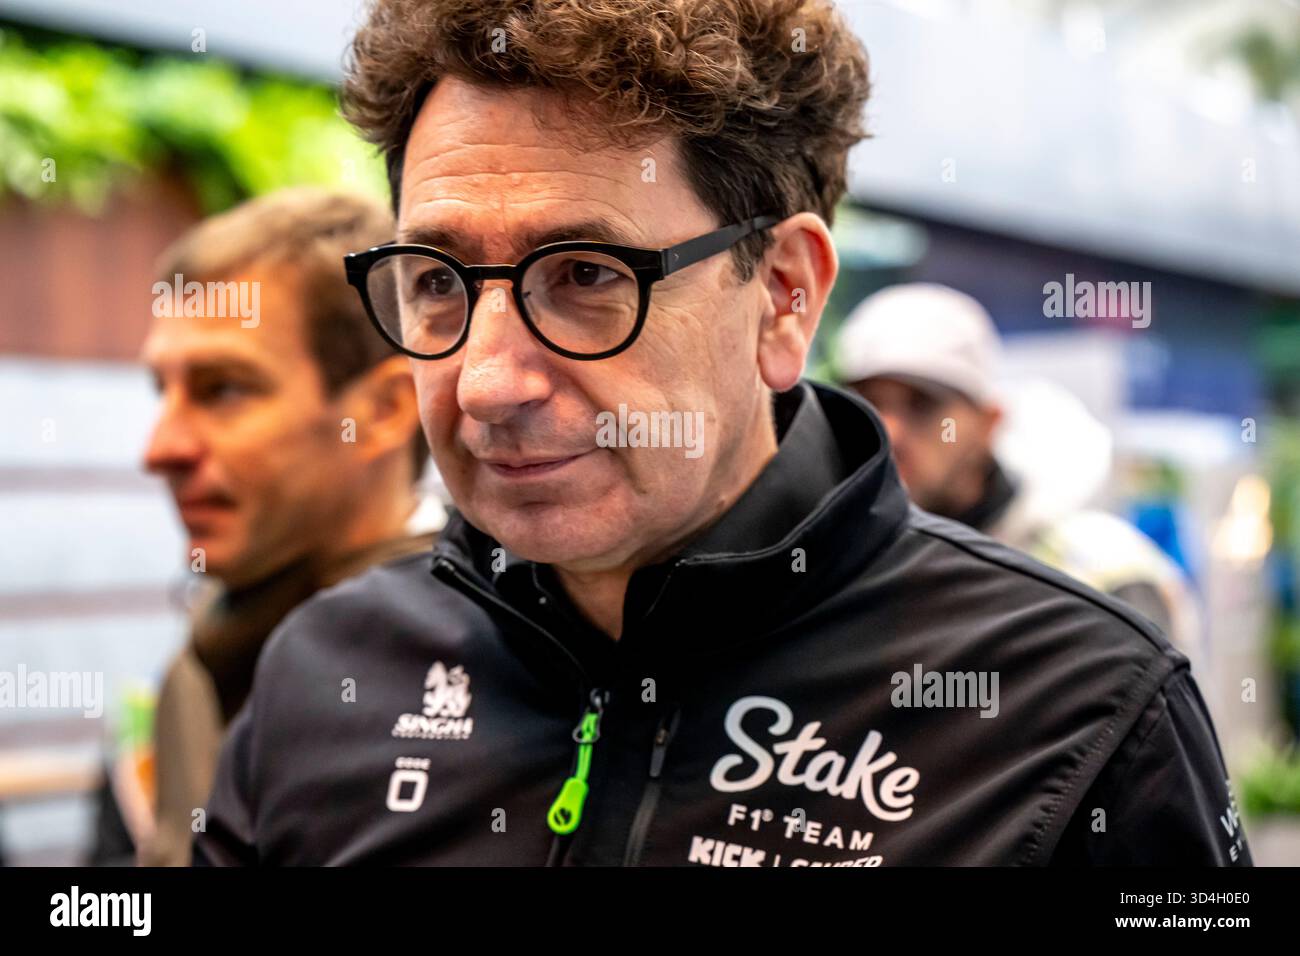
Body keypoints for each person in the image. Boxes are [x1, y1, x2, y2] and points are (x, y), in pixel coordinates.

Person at [196, 0, 1248, 866]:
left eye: (587, 278)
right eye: (437, 281)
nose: (486, 381)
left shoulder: (1081, 716)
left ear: (784, 295)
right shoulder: (322, 674)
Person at [132, 188, 441, 865]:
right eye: (164, 391)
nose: (160, 449)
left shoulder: (483, 677)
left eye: (224, 389)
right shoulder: (204, 655)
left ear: (387, 409)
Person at [836, 282, 1204, 669]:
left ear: (989, 422)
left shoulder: (1102, 571)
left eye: (922, 404)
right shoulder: (847, 568)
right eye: (868, 403)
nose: (889, 431)